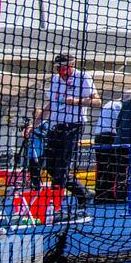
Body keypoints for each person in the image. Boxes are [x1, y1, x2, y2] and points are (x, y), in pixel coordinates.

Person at [25, 52, 100, 215]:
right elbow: (49, 107)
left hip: (73, 126)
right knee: (50, 166)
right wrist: (33, 125)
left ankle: (57, 207)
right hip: (56, 127)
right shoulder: (55, 80)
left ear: (71, 66)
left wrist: (76, 101)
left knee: (61, 168)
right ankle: (84, 194)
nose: (60, 71)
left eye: (63, 68)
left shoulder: (82, 78)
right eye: (58, 68)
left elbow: (97, 101)